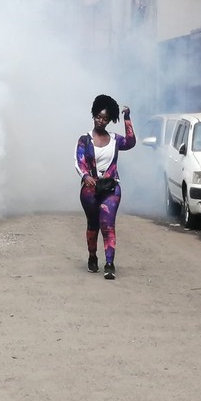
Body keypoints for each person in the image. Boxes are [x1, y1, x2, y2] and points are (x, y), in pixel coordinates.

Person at [74, 94, 136, 279]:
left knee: (108, 225)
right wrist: (85, 175)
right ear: (93, 115)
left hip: (110, 188)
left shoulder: (116, 140)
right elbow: (78, 161)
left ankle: (110, 263)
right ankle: (93, 257)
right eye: (98, 117)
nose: (101, 121)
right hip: (89, 190)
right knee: (93, 225)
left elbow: (131, 142)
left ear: (110, 120)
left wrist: (127, 118)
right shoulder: (84, 140)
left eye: (105, 118)